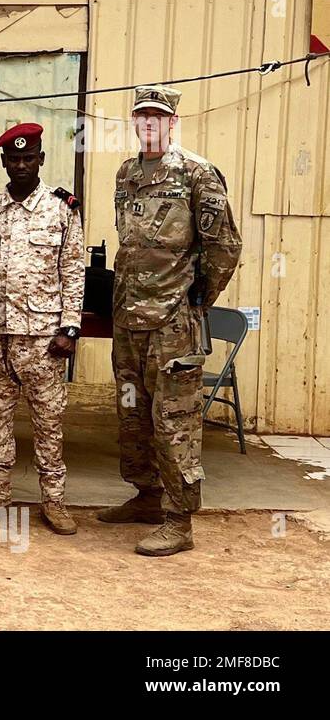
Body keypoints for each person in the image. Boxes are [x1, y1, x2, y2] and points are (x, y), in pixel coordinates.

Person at [98, 85, 241, 557]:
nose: (149, 124)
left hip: (173, 325)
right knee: (132, 415)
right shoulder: (126, 174)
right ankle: (146, 496)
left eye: (158, 116)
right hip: (128, 320)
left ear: (172, 122)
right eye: (141, 116)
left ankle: (179, 521)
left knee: (173, 422)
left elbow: (224, 248)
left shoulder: (197, 174)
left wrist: (196, 298)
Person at [0, 122, 85, 535]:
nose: (21, 164)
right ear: (4, 162)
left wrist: (70, 329)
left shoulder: (62, 208)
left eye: (29, 157)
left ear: (41, 159)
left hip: (43, 338)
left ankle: (54, 502)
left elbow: (73, 270)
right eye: (13, 158)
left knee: (48, 423)